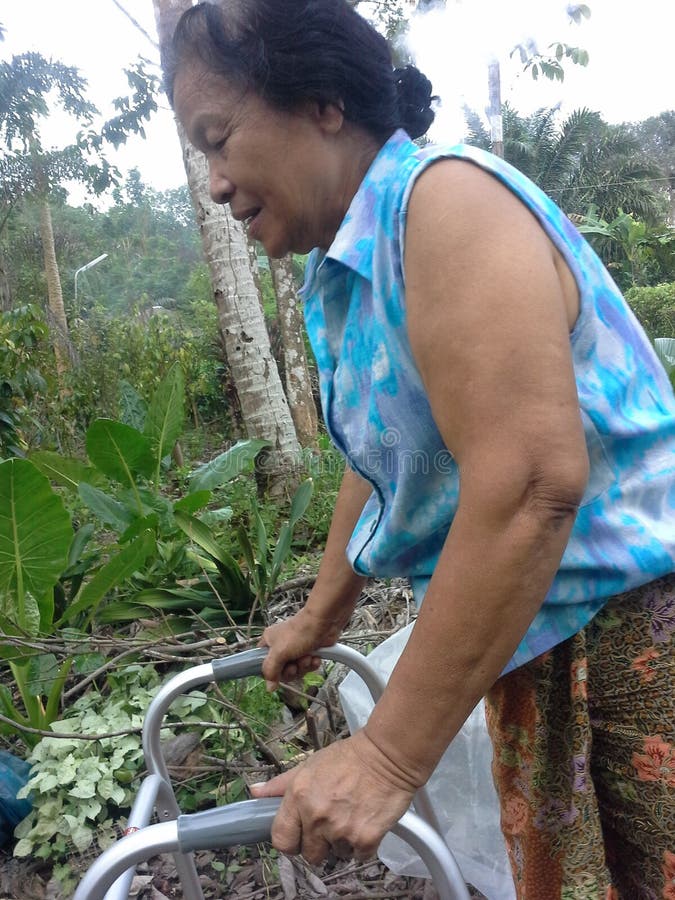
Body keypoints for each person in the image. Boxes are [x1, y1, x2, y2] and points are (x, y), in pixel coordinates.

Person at [166, 1, 675, 896]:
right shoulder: (351, 267)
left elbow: (526, 486)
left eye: (219, 136)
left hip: (634, 630)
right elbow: (394, 462)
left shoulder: (444, 204)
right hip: (532, 628)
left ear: (322, 100)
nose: (213, 182)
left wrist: (387, 757)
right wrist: (322, 613)